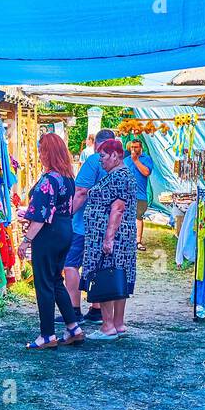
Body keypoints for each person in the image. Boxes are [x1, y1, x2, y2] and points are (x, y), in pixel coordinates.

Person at [19, 132, 82, 347]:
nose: (39, 156)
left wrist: (26, 240)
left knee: (44, 283)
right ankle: (73, 328)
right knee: (55, 281)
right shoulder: (67, 178)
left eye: (41, 151)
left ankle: (47, 335)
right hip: (65, 229)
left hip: (48, 233)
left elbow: (41, 216)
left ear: (49, 153)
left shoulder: (49, 180)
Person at [82, 138, 139, 340]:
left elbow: (117, 209)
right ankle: (118, 324)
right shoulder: (121, 175)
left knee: (106, 276)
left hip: (112, 237)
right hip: (120, 236)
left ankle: (107, 326)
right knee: (118, 276)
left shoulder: (119, 176)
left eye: (103, 157)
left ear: (115, 155)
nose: (101, 161)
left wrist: (108, 239)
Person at [64, 127, 116, 326]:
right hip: (107, 225)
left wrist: (67, 215)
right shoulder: (119, 164)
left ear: (96, 145)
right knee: (97, 265)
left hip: (83, 224)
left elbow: (81, 192)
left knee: (70, 263)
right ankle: (96, 309)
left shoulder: (93, 161)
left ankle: (74, 309)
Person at [126, 136, 154, 251]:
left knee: (138, 217)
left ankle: (138, 241)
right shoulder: (126, 160)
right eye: (132, 147)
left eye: (136, 147)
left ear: (141, 148)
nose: (133, 149)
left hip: (140, 195)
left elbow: (146, 172)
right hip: (126, 194)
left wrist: (136, 161)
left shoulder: (146, 159)